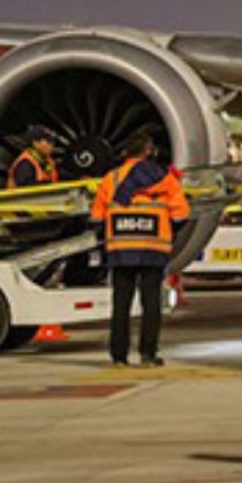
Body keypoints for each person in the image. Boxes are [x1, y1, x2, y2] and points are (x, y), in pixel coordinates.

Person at [90, 132, 190, 367]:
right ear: (148, 152)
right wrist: (167, 232)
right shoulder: (165, 179)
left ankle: (119, 356)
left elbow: (96, 218)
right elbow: (181, 215)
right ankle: (148, 354)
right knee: (151, 303)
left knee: (121, 303)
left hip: (121, 249)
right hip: (153, 249)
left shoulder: (111, 179)